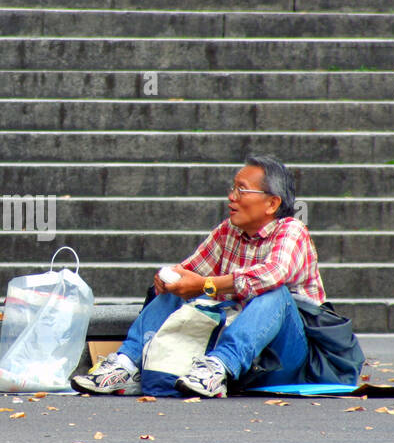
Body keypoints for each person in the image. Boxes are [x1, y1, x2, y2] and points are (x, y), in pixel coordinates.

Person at [71, 154, 329, 398]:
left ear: (272, 203)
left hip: (285, 354)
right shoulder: (229, 230)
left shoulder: (292, 231)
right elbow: (189, 271)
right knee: (179, 288)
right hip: (240, 350)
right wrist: (169, 278)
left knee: (274, 291)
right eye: (232, 188)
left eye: (241, 190)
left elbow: (272, 274)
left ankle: (218, 367)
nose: (231, 197)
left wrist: (205, 285)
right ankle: (126, 364)